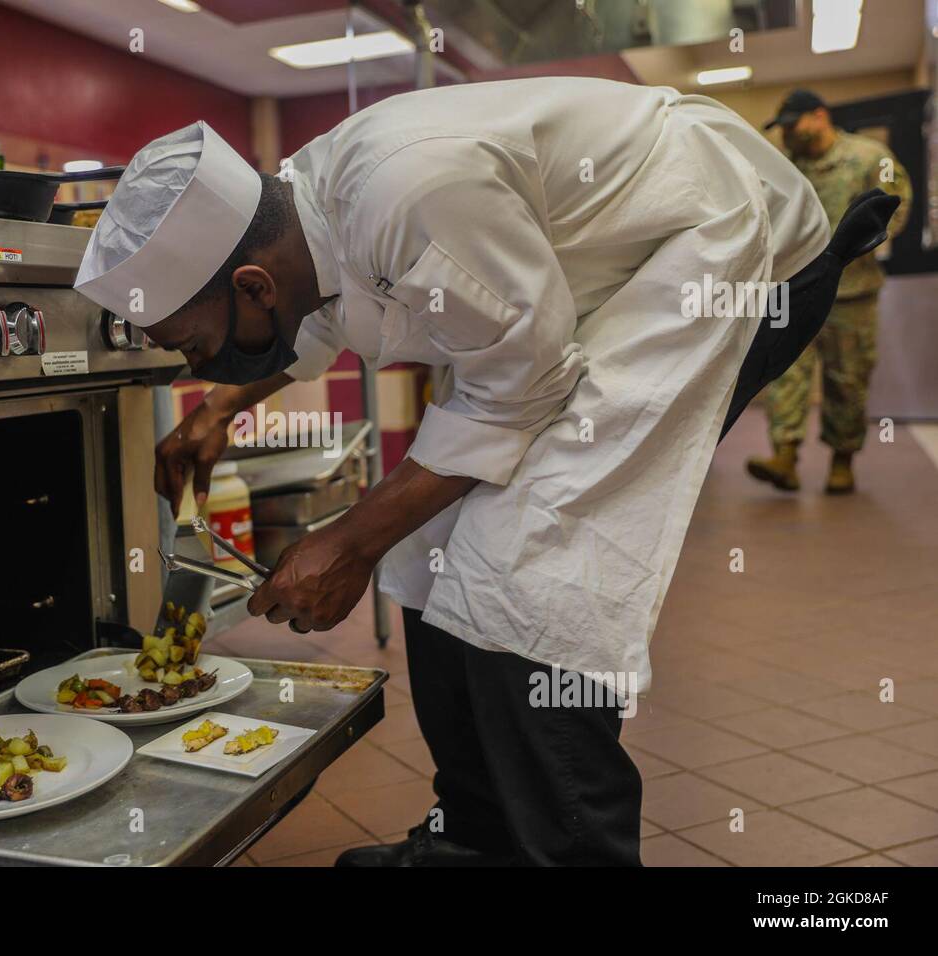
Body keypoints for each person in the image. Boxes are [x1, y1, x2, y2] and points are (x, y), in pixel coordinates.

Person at [74, 78, 836, 866]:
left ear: (250, 286)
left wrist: (352, 540)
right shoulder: (294, 213)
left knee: (529, 570)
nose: (200, 366)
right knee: (431, 549)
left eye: (196, 349)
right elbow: (324, 306)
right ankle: (473, 840)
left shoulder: (411, 192)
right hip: (588, 283)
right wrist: (220, 409)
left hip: (728, 242)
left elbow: (524, 387)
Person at [746, 89, 912, 494]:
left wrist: (861, 241)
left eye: (792, 124)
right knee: (783, 371)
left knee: (847, 379)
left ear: (820, 116)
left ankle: (843, 461)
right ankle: (784, 456)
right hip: (792, 289)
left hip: (850, 293)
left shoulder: (871, 157)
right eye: (782, 127)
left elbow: (899, 205)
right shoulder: (784, 167)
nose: (786, 134)